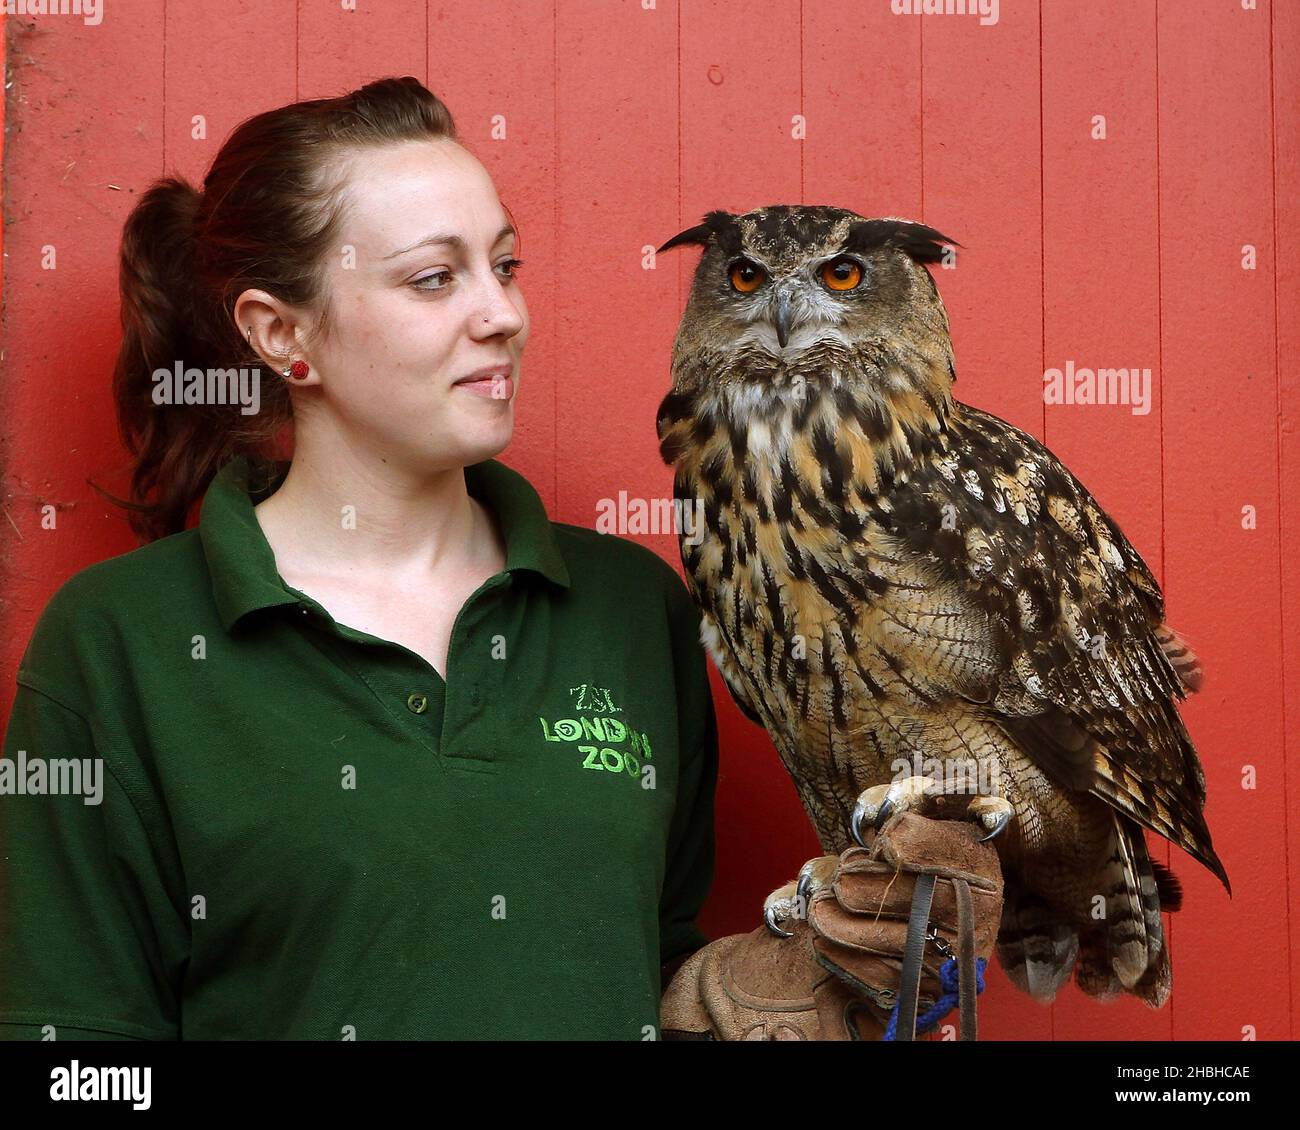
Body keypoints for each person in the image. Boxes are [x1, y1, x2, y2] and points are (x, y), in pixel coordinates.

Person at [0, 74, 1001, 1042]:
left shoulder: (629, 608)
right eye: (435, 279)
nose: (502, 315)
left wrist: (768, 992)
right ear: (281, 334)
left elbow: (622, 970)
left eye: (505, 265)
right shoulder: (120, 641)